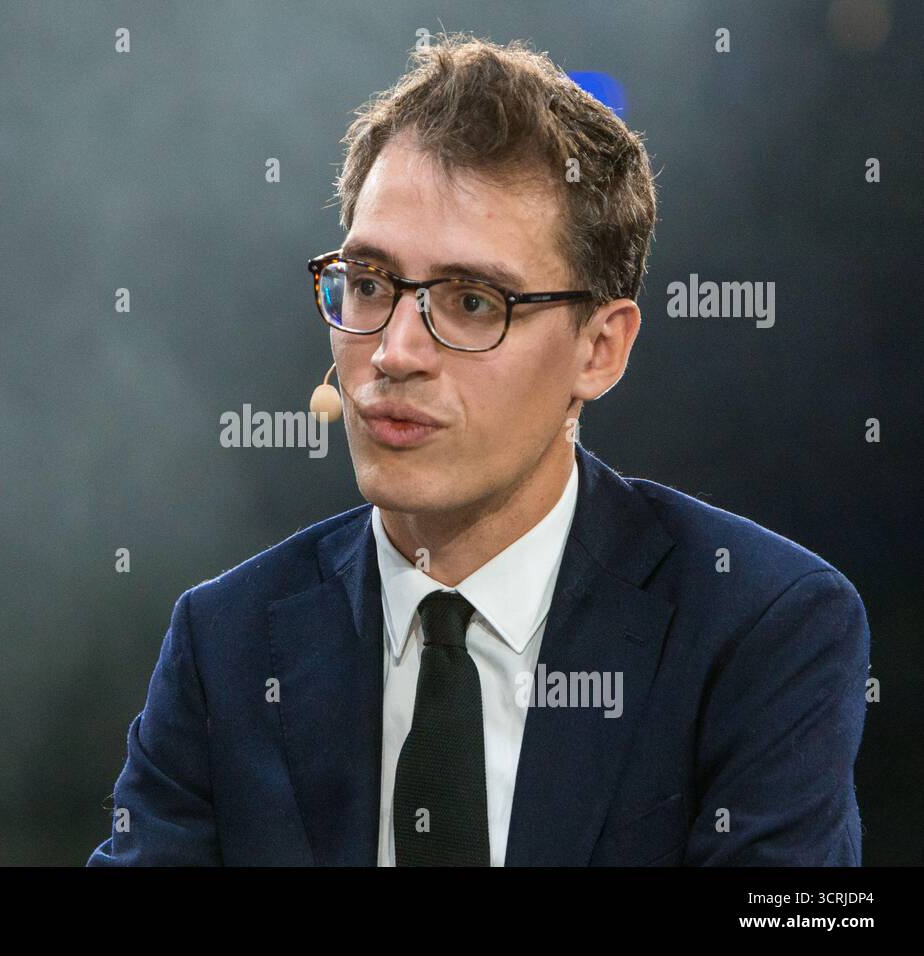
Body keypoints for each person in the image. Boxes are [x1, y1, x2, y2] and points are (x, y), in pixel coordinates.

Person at [87, 34, 870, 866]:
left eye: (471, 301)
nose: (394, 352)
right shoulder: (228, 643)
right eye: (370, 284)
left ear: (599, 350)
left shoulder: (760, 624)